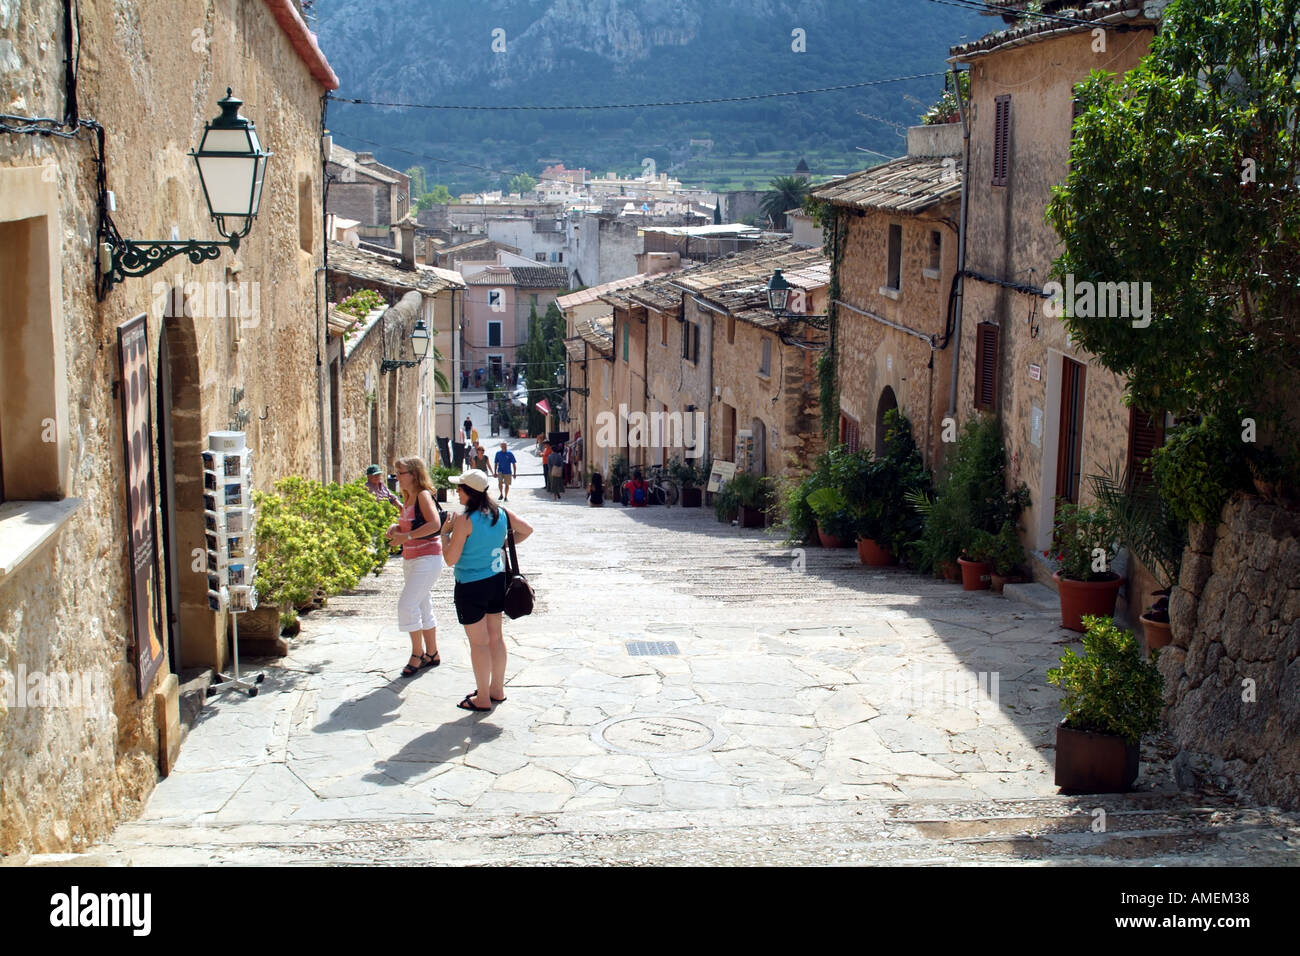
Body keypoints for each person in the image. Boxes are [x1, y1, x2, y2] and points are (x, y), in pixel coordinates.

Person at [440, 469, 534, 711]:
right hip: (496, 581)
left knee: (479, 644)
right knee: (496, 638)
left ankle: (482, 698)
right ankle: (497, 689)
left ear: (469, 492)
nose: (456, 492)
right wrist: (499, 544)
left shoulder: (465, 520)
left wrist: (444, 535)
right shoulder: (500, 513)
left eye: (459, 488)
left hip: (471, 586)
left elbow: (451, 559)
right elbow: (527, 529)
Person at [385, 457, 444, 678]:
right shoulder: (408, 498)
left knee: (406, 606)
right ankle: (432, 652)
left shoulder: (422, 495)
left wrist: (406, 536)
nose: (397, 477)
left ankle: (417, 654)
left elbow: (434, 524)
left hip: (426, 558)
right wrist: (396, 528)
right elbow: (410, 524)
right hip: (412, 558)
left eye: (400, 473)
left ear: (413, 474)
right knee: (421, 605)